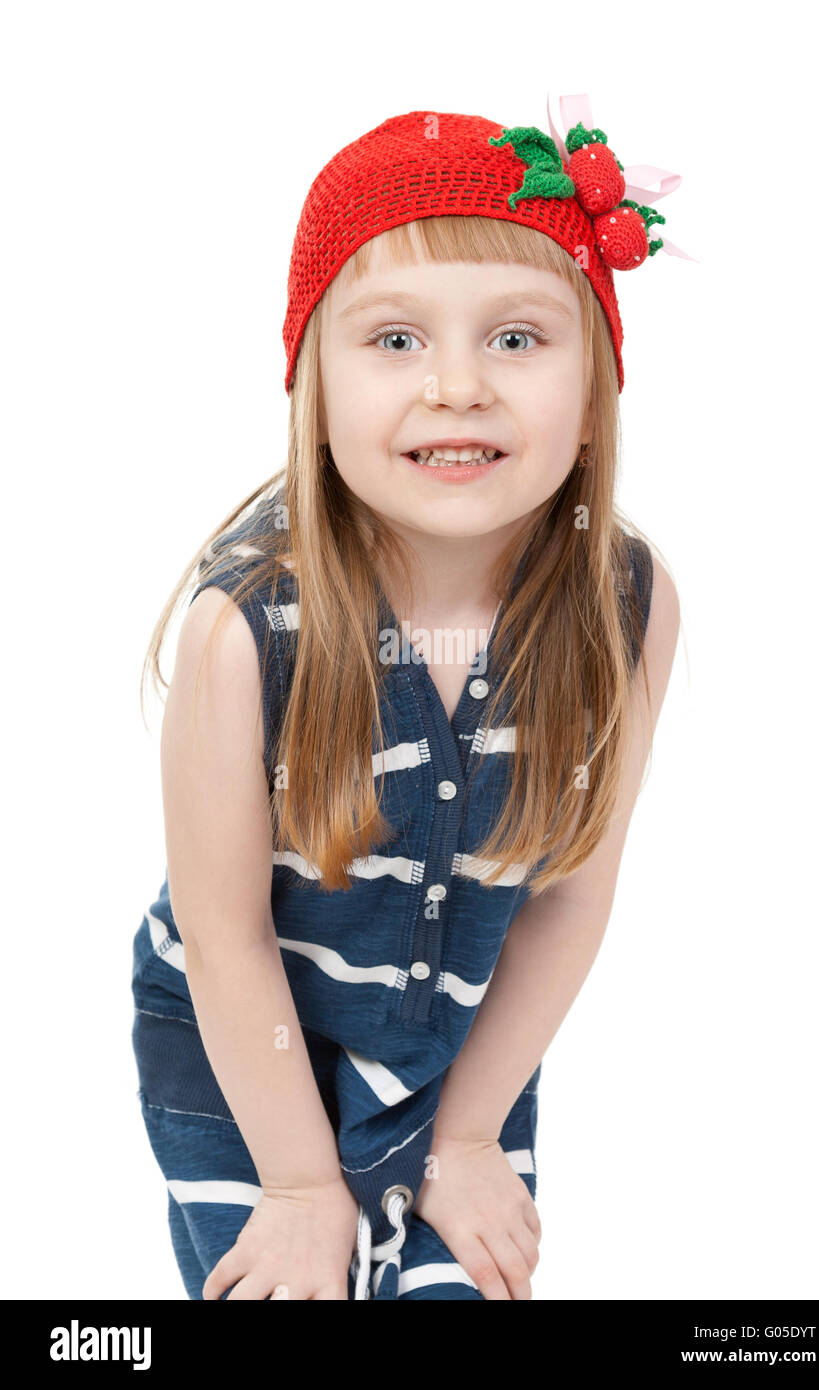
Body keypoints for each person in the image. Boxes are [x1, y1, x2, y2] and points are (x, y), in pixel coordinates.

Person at [132, 95, 684, 1301]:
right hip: (241, 1043)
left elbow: (567, 900)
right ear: (313, 388)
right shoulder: (245, 631)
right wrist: (299, 1187)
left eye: (517, 337)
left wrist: (468, 1133)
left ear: (595, 383)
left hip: (455, 1048)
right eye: (393, 339)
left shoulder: (623, 606)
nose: (455, 386)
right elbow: (225, 939)